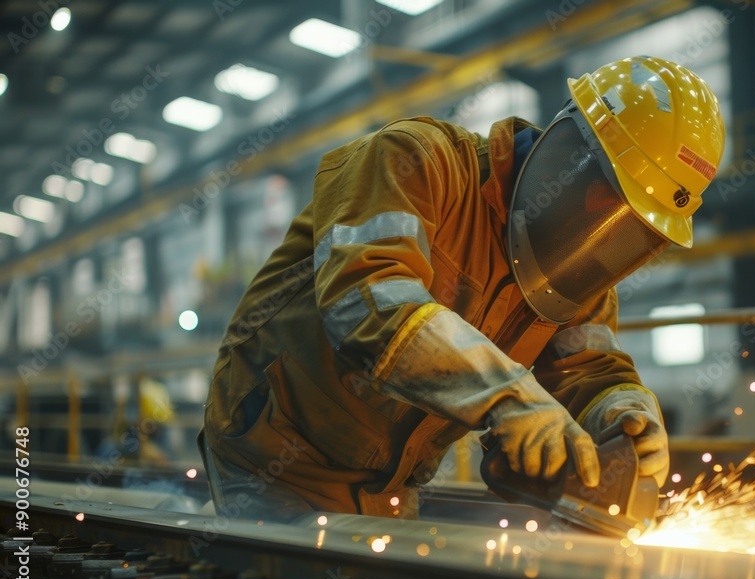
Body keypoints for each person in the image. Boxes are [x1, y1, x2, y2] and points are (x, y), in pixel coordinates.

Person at [197, 55, 726, 521]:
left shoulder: (580, 280)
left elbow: (587, 369)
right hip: (273, 454)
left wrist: (623, 412)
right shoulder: (415, 162)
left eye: (626, 227)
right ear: (568, 144)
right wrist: (506, 397)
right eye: (601, 197)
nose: (599, 229)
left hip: (391, 480)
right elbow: (368, 299)